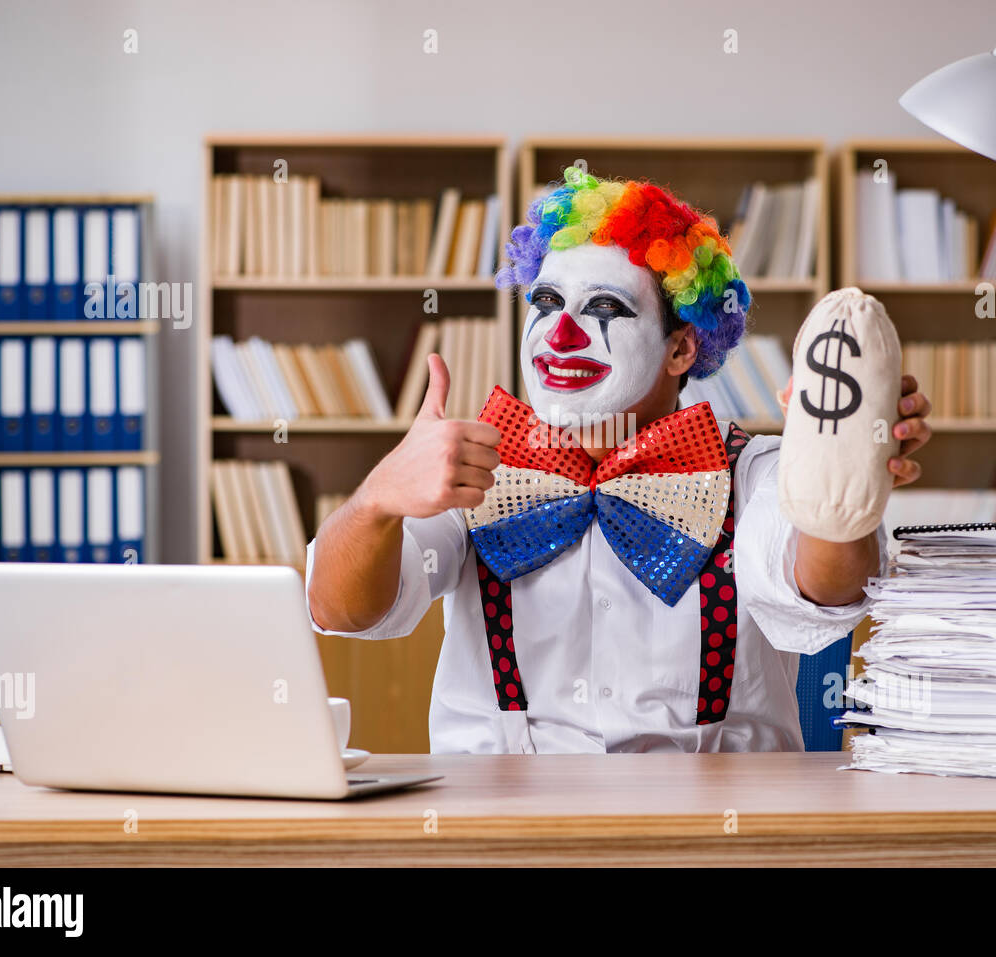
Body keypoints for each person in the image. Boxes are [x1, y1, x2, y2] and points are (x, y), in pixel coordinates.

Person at [306, 167, 933, 753]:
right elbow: (340, 610)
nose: (562, 334)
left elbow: (828, 589)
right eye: (546, 303)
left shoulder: (755, 473)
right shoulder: (472, 467)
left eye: (604, 308)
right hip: (495, 831)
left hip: (716, 833)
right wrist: (378, 500)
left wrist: (834, 469)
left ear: (681, 349)